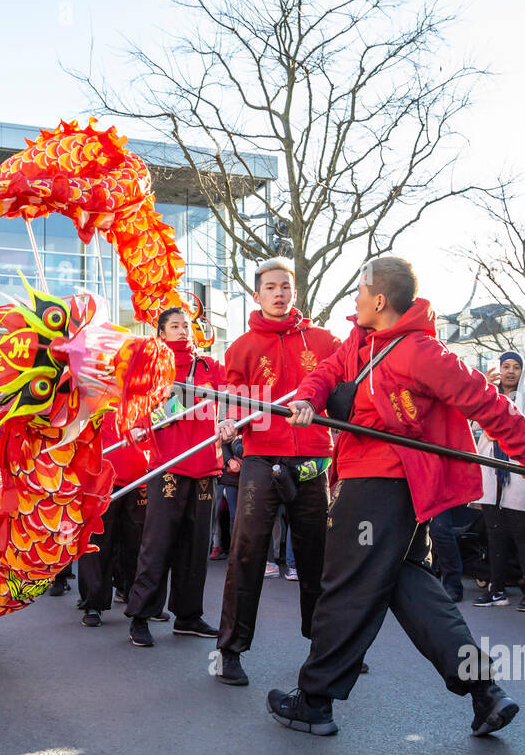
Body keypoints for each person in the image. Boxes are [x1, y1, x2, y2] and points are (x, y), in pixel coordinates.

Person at [266, 256, 525, 738]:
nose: (353, 298)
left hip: (381, 486)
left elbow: (485, 399)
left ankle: (314, 701)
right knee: (412, 589)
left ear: (380, 298)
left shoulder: (422, 352)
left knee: (344, 588)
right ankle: (485, 692)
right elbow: (328, 375)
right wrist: (307, 401)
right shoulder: (359, 339)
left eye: (359, 289)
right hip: (375, 483)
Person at [213, 257, 340, 685]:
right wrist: (227, 422)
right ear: (257, 294)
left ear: (295, 292)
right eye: (270, 287)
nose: (279, 293)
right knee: (247, 552)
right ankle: (230, 650)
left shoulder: (324, 341)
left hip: (311, 462)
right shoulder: (242, 347)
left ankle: (326, 647)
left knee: (316, 557)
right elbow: (231, 401)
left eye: (285, 286)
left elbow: (340, 394)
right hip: (261, 459)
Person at [124, 307, 223, 647]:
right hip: (168, 464)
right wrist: (139, 426)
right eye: (175, 326)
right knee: (157, 544)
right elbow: (135, 409)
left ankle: (188, 616)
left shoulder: (212, 366)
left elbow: (234, 399)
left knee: (196, 548)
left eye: (187, 325)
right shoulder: (153, 368)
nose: (184, 330)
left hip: (206, 465)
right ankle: (140, 615)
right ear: (161, 333)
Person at [473, 350, 525, 611]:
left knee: (524, 535)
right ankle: (497, 589)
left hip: (518, 469)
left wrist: (502, 436)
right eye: (506, 366)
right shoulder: (486, 397)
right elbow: (471, 424)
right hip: (491, 472)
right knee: (495, 535)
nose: (511, 371)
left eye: (516, 366)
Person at [76, 410, 150, 627]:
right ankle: (93, 603)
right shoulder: (98, 385)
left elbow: (163, 414)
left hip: (139, 477)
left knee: (136, 545)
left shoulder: (149, 387)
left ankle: (135, 597)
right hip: (100, 476)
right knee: (98, 542)